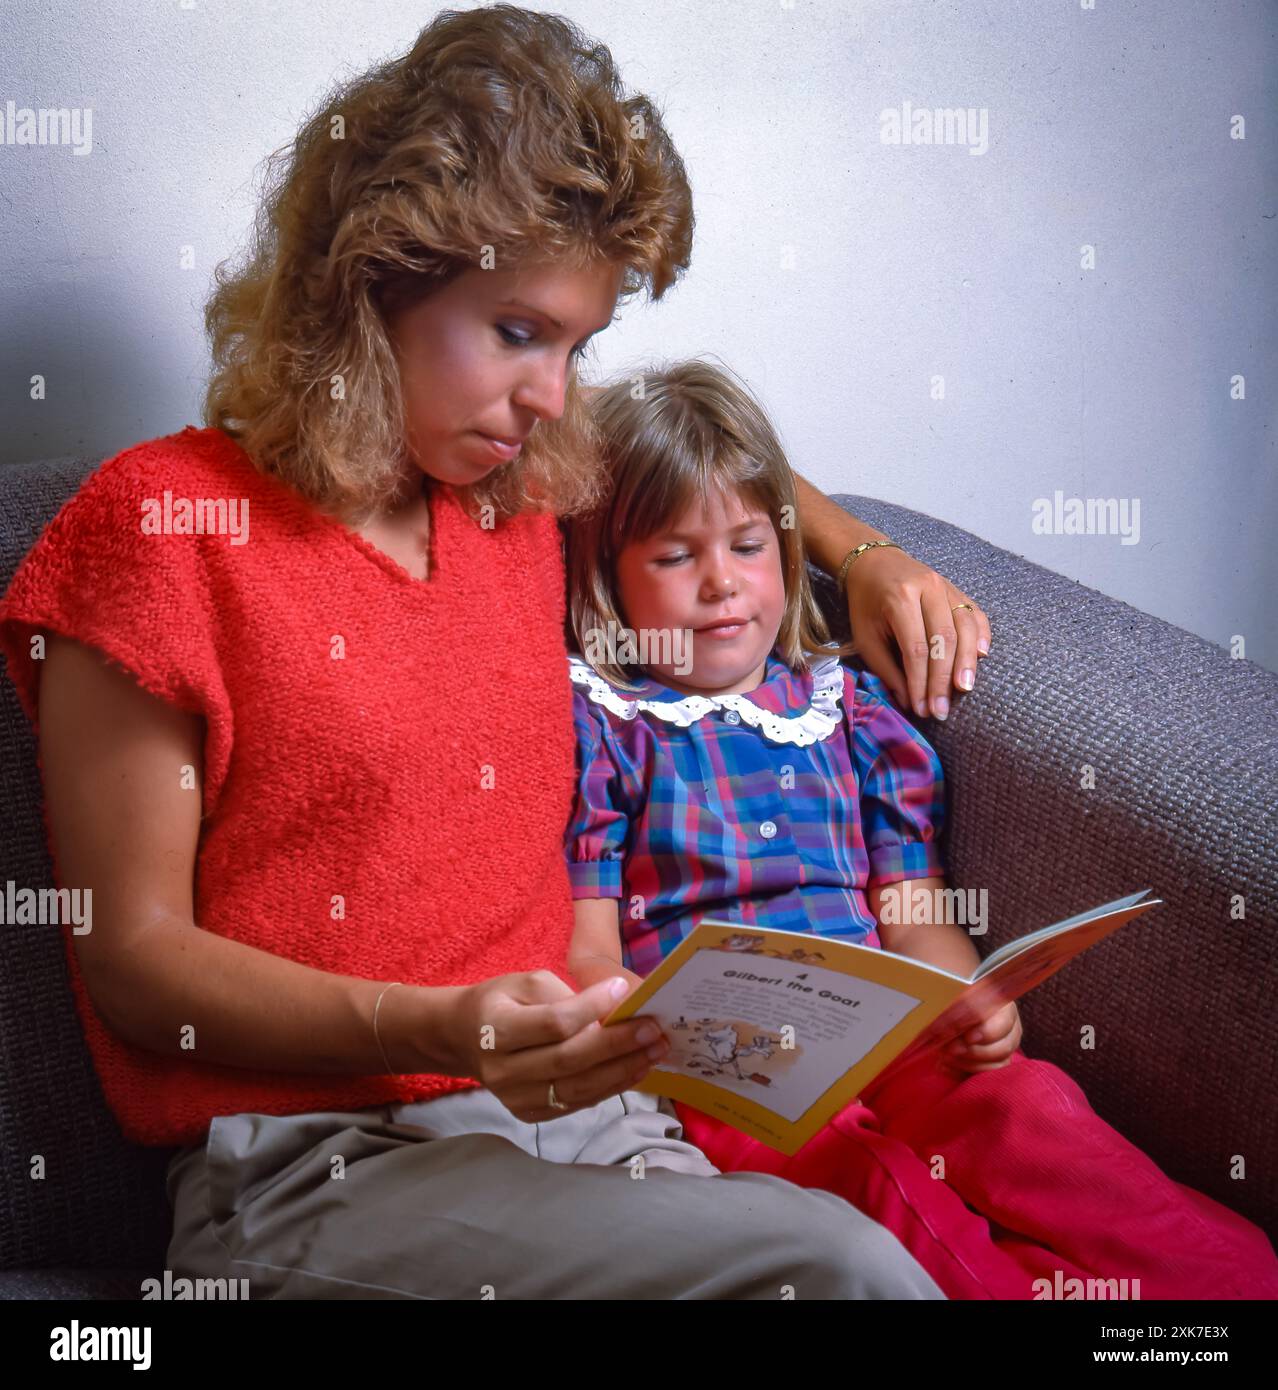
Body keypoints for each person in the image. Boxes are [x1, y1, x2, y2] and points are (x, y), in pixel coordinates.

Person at [0, 7, 991, 1300]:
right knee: (841, 1270)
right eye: (518, 331)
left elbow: (718, 468)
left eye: (576, 345)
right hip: (320, 1169)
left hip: (588, 1127)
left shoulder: (515, 491)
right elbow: (135, 964)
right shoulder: (158, 529)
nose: (552, 395)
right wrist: (441, 1027)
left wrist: (862, 559)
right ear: (368, 283)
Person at [561, 358, 1278, 1301]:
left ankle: (1223, 1288)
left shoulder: (850, 714)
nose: (721, 584)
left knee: (1024, 1110)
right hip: (729, 1075)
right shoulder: (605, 729)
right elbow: (588, 947)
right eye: (673, 557)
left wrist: (965, 996)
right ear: (608, 579)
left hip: (876, 1031)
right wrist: (623, 1018)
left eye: (748, 545)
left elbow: (915, 913)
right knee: (876, 1193)